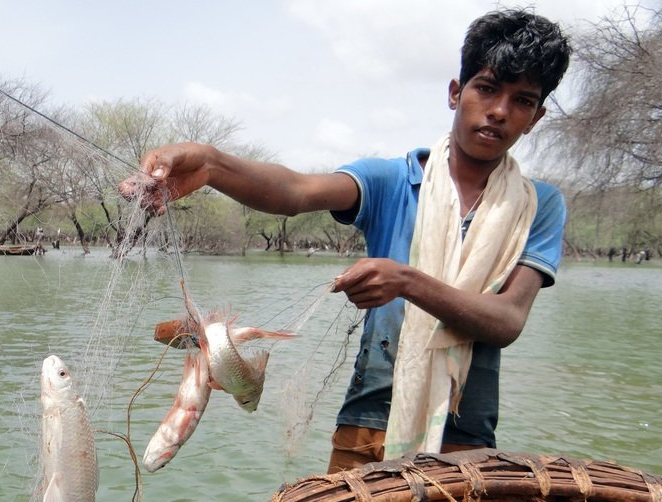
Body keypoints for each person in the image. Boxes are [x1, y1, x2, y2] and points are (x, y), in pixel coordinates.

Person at [120, 9, 571, 473]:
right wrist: (211, 165)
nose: (499, 110)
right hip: (367, 423)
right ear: (456, 93)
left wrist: (408, 282)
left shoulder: (539, 205)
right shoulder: (394, 181)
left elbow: (508, 319)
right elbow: (295, 191)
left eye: (522, 100)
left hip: (467, 438)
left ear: (535, 117)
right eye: (487, 88)